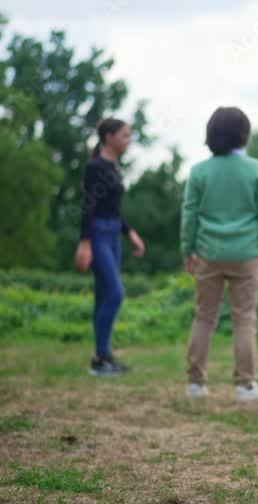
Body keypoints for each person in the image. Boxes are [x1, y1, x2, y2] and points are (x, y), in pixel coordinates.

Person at [181, 106, 258, 402]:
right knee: (244, 319)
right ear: (244, 135)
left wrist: (188, 249)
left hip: (207, 253)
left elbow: (189, 214)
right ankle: (244, 386)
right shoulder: (256, 169)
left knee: (204, 317)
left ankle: (195, 384)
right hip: (246, 253)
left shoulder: (199, 171)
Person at [75, 118, 145, 376]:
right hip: (98, 235)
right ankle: (100, 357)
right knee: (115, 294)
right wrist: (85, 243)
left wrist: (130, 232)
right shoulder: (95, 167)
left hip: (114, 233)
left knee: (104, 296)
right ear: (109, 137)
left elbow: (114, 208)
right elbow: (88, 206)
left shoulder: (114, 166)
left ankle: (102, 357)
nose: (128, 140)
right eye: (124, 135)